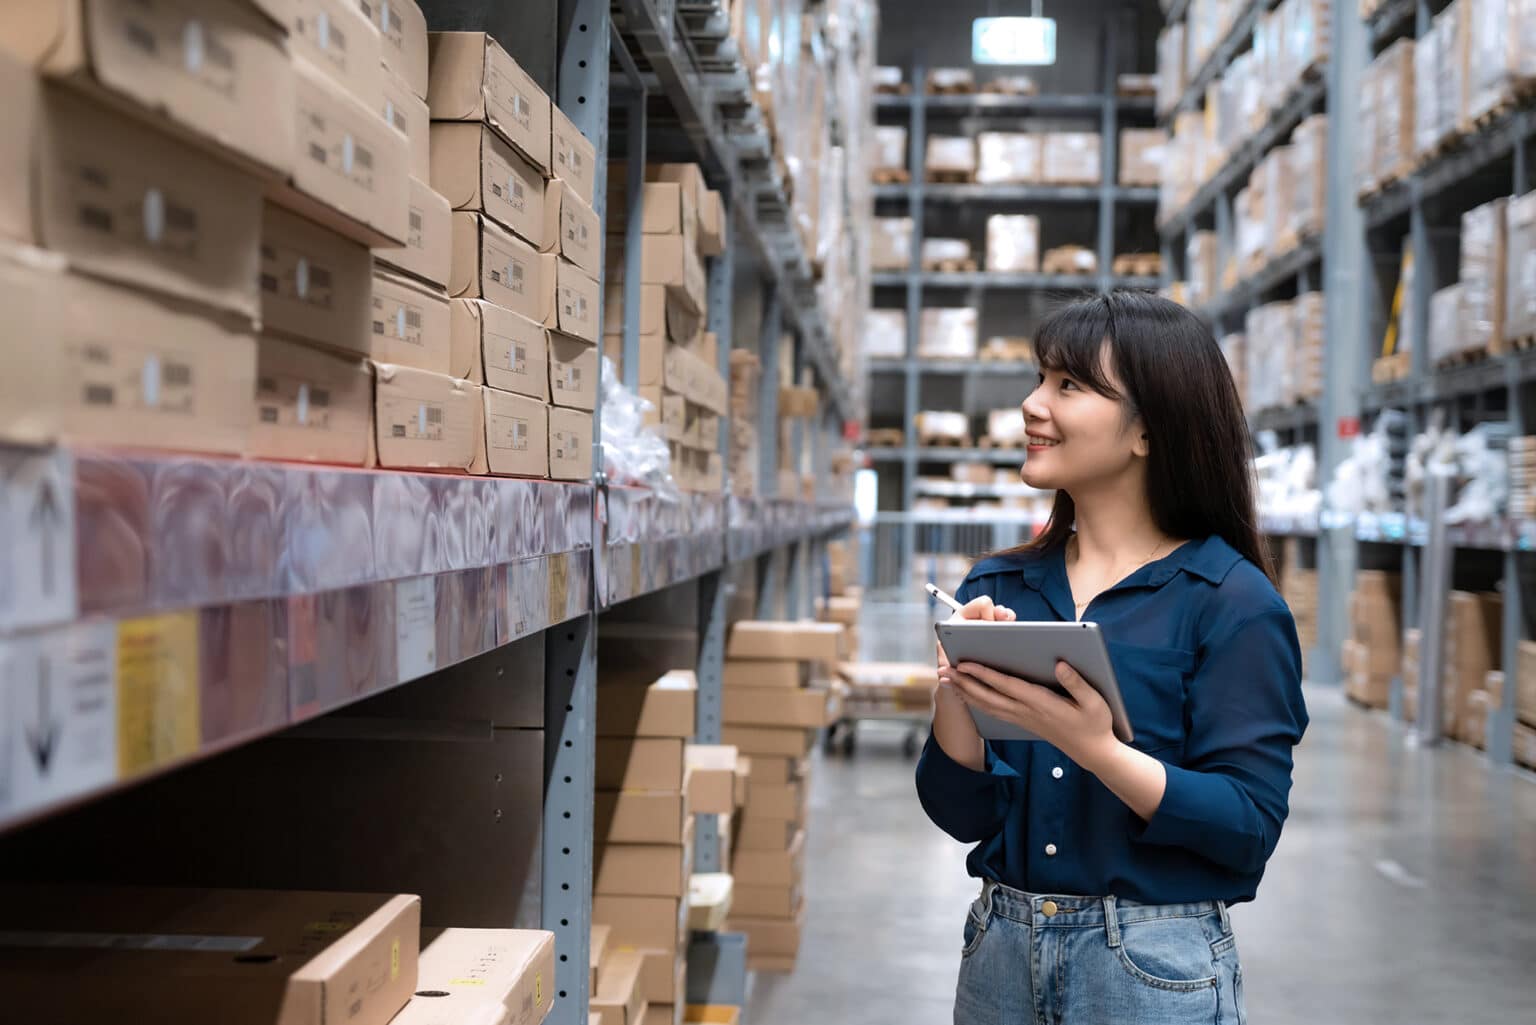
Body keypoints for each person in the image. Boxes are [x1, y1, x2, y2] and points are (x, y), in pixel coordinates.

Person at [915, 291, 1308, 1025]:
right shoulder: (997, 587)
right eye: (1039, 378)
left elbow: (1247, 826)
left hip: (1150, 970)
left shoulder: (1229, 601)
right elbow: (960, 812)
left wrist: (1095, 748)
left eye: (1069, 385)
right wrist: (955, 696)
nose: (1034, 404)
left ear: (1149, 431)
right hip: (999, 952)